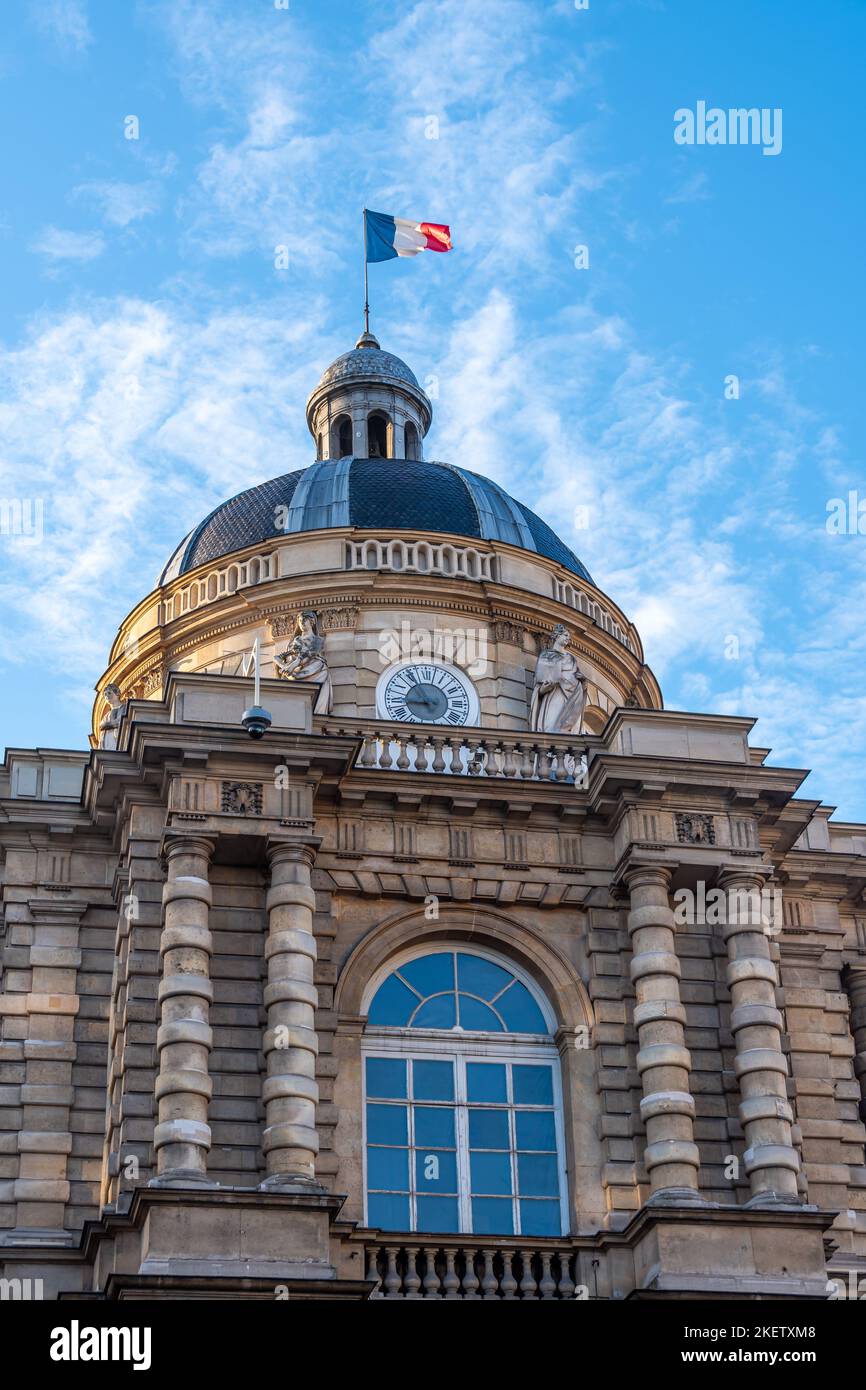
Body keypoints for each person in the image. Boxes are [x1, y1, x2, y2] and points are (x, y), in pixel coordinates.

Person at [273, 610, 332, 715]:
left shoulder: (317, 640)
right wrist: (284, 666)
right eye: (300, 620)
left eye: (305, 620)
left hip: (312, 668)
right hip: (293, 669)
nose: (302, 622)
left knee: (320, 667)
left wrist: (292, 667)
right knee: (289, 676)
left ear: (312, 621)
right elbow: (285, 657)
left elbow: (308, 655)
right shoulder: (295, 641)